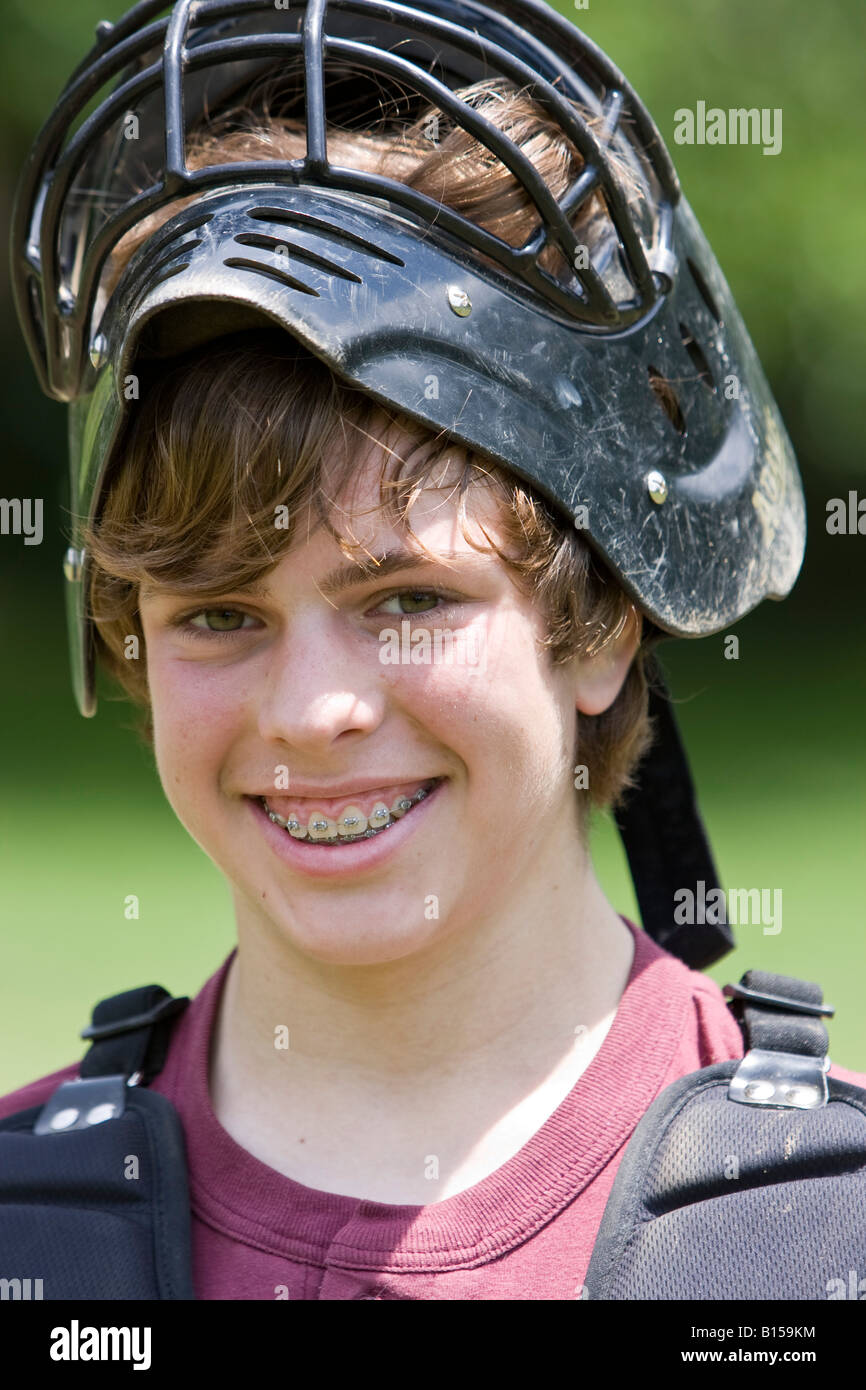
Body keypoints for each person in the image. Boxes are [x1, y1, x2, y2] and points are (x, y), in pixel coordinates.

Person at [3, 0, 864, 1301]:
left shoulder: (815, 1234)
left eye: (405, 598)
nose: (311, 710)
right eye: (219, 614)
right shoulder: (30, 1229)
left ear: (600, 622)